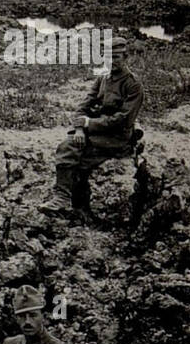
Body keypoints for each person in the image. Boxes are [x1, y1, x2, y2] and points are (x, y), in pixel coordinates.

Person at [41, 35, 143, 217]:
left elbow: (123, 120)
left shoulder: (133, 85)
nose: (111, 61)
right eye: (107, 57)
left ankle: (66, 200)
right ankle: (71, 204)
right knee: (73, 152)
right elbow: (83, 106)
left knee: (71, 150)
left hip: (116, 138)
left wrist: (89, 124)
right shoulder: (103, 79)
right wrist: (80, 128)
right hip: (96, 133)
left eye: (116, 57)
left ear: (126, 57)